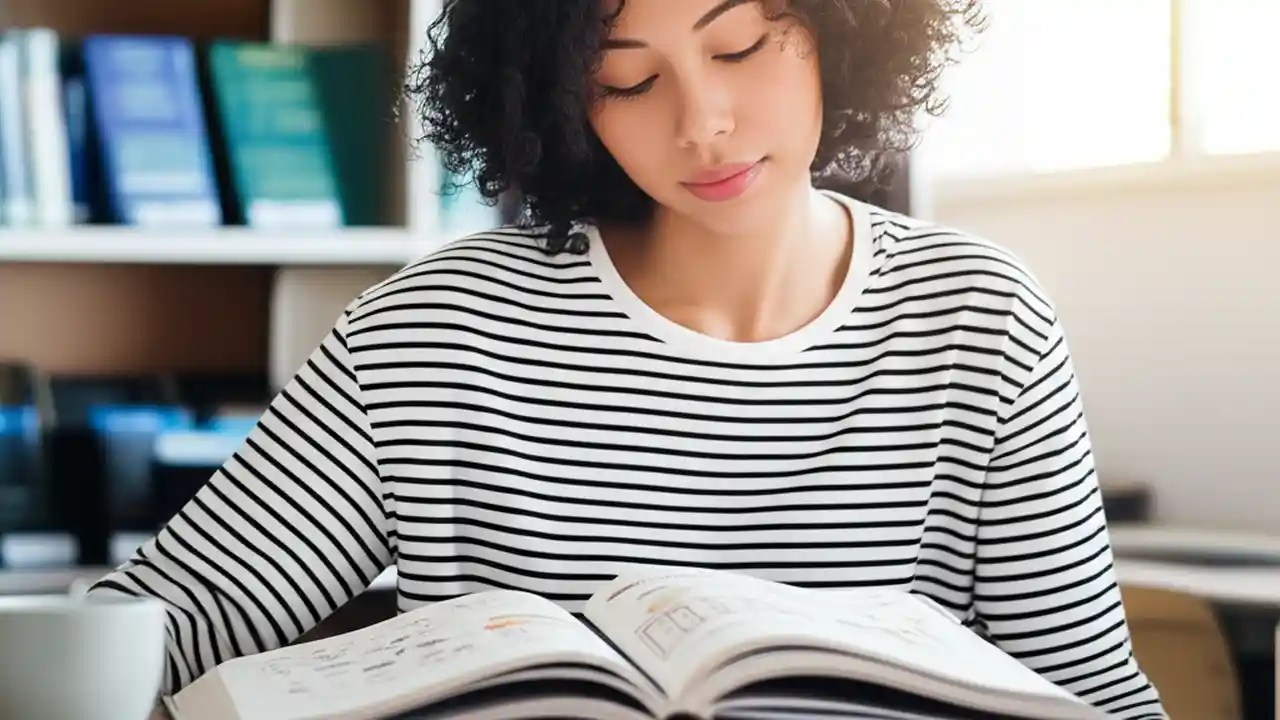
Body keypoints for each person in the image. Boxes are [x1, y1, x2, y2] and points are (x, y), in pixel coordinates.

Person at [89, 0, 1167, 716]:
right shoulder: (428, 332)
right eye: (624, 79)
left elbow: (1086, 694)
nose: (701, 120)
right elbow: (157, 641)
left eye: (738, 45)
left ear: (842, 26)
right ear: (556, 99)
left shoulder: (977, 314)